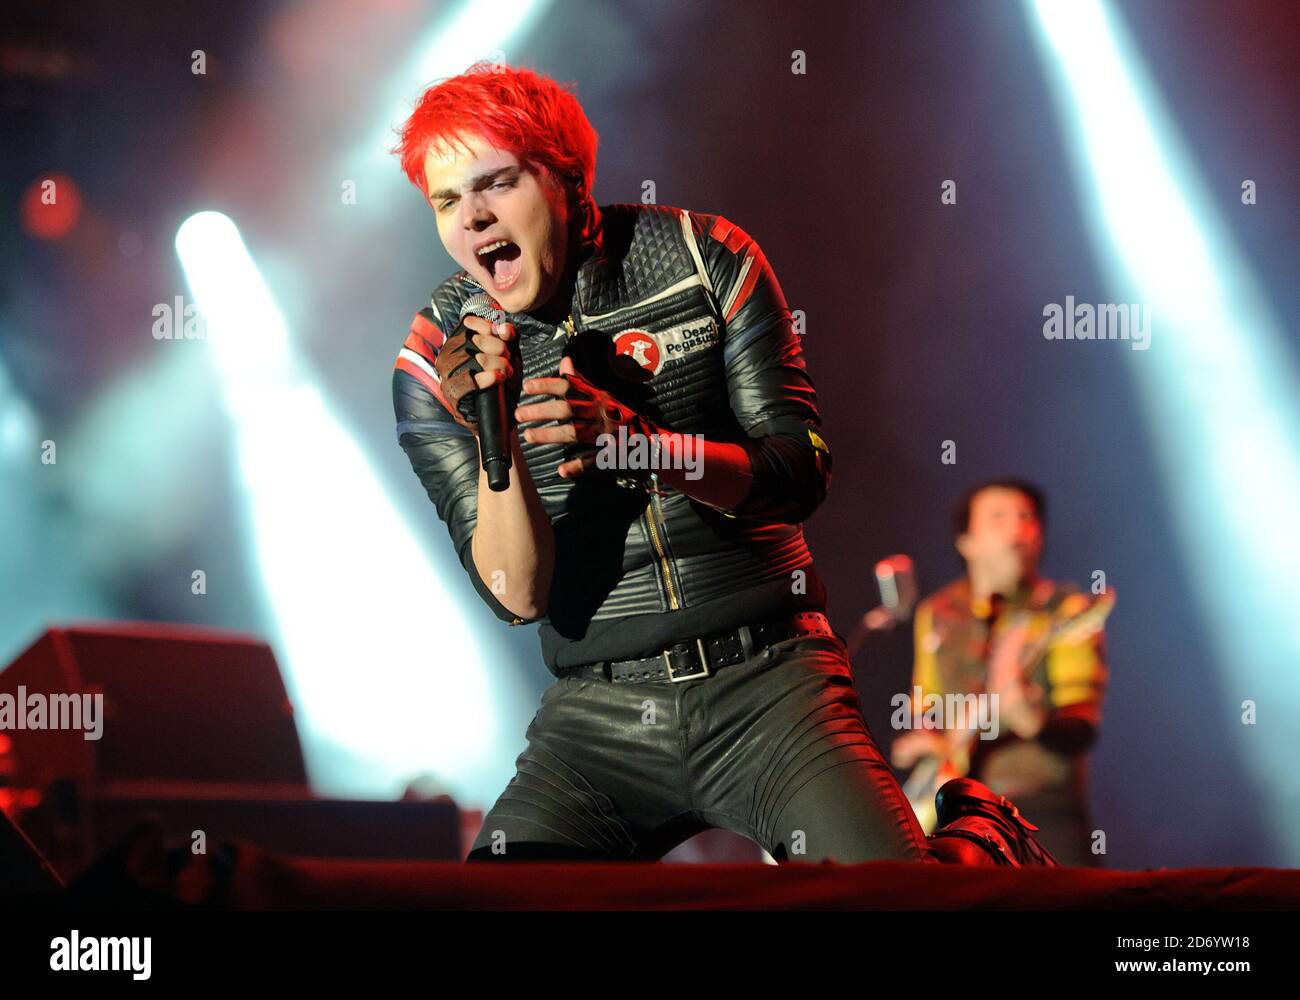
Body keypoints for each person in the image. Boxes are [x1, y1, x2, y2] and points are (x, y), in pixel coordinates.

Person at [391, 62, 1052, 866]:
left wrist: (642, 445)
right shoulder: (435, 358)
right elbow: (518, 596)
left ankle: (980, 842)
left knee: (895, 903)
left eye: (497, 183)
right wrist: (494, 434)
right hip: (598, 716)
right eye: (448, 200)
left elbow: (801, 471)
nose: (475, 217)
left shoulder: (704, 258)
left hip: (770, 679)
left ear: (565, 177)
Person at [893, 479, 1110, 866]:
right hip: (956, 814)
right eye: (998, 518)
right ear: (966, 542)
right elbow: (925, 703)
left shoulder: (1065, 609)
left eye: (1027, 518)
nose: (1017, 529)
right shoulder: (938, 612)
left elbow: (1081, 727)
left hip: (1038, 812)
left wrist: (1027, 717)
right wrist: (924, 739)